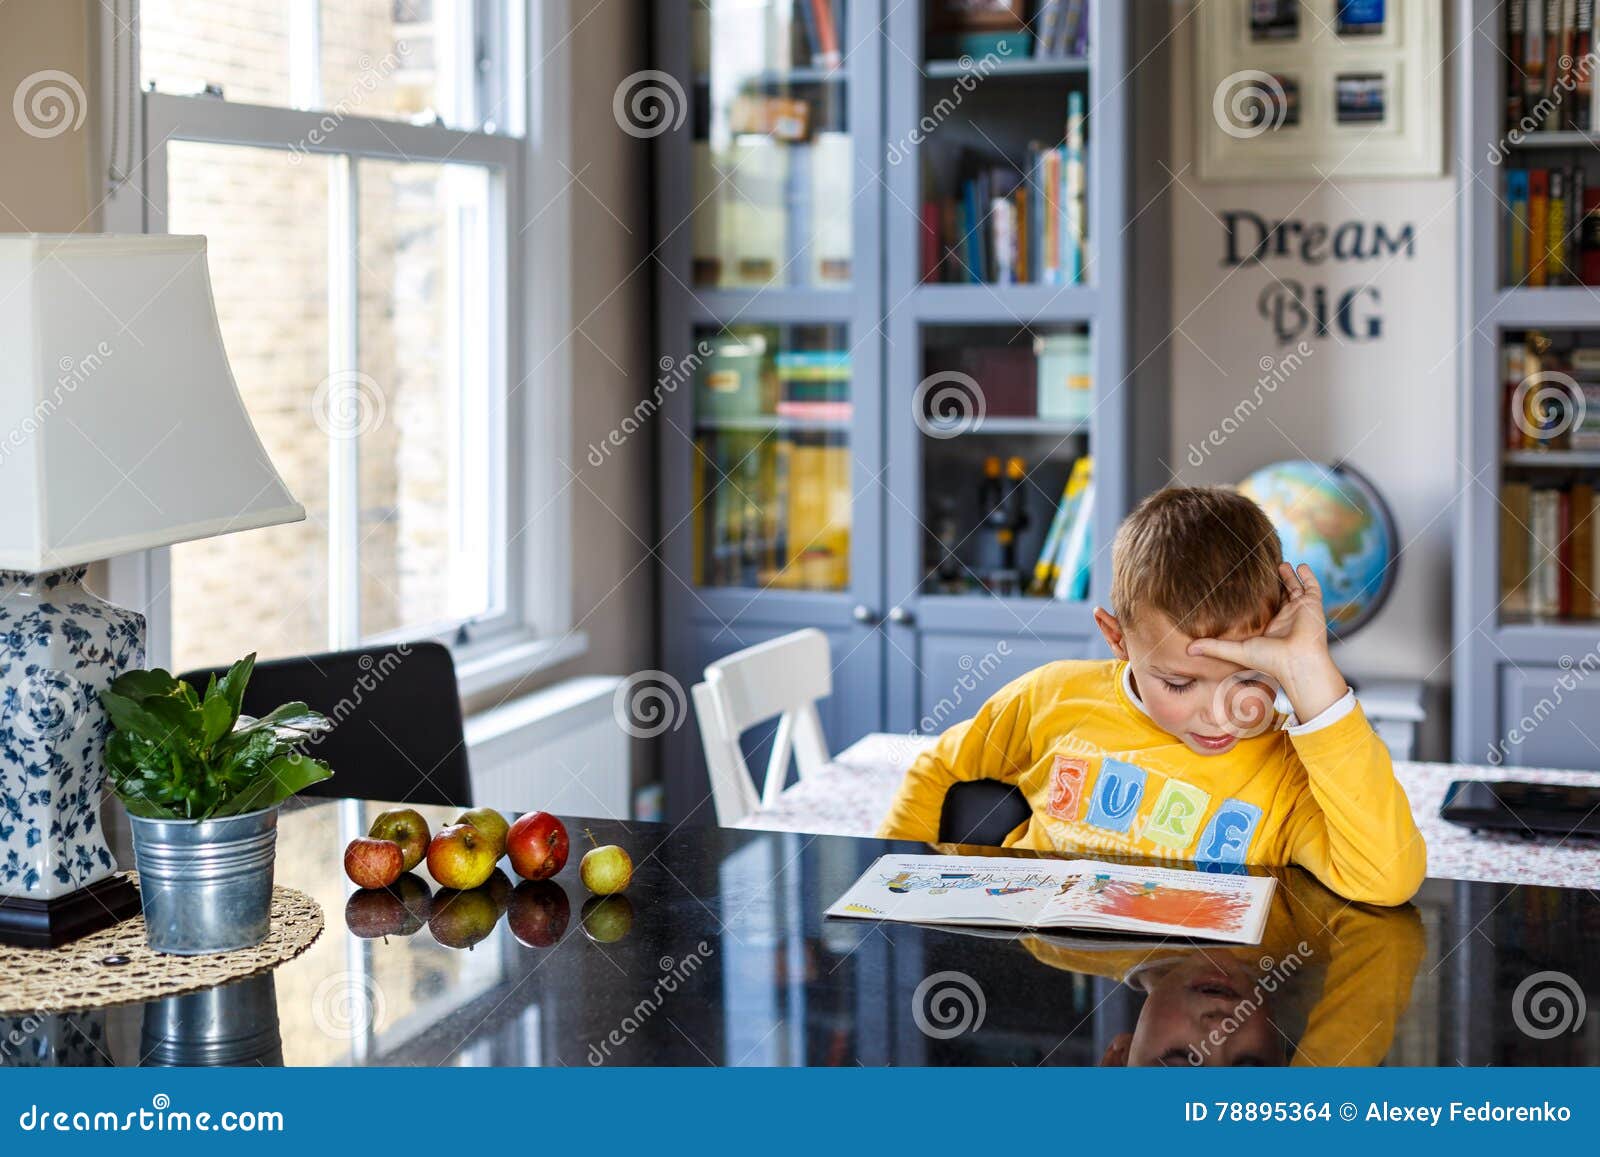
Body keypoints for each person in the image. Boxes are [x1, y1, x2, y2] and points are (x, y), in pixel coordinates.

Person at [876, 485, 1426, 906]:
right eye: (1180, 683)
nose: (1220, 715)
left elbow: (1385, 878)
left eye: (1250, 678)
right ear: (1116, 637)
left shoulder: (1288, 774)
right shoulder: (1050, 697)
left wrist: (1312, 672)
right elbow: (936, 773)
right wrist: (902, 894)